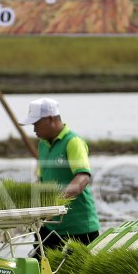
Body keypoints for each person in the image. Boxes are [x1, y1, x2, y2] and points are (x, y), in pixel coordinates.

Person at [19, 97, 99, 249]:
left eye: (36, 123)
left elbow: (82, 178)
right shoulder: (42, 144)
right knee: (40, 269)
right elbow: (41, 181)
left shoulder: (73, 142)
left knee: (78, 271)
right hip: (50, 227)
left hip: (79, 228)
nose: (34, 129)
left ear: (50, 119)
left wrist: (56, 203)